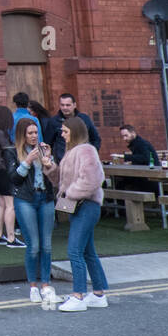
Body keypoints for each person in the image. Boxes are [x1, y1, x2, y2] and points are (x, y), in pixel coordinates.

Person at [55, 115, 109, 311]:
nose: (62, 134)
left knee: (74, 250)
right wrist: (50, 168)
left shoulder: (86, 150)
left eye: (65, 131)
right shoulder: (73, 151)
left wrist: (70, 193)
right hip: (79, 205)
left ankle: (78, 296)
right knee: (88, 251)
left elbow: (93, 179)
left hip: (85, 205)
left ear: (75, 132)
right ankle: (98, 294)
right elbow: (65, 180)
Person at [10, 119, 59, 308]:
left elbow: (54, 177)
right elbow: (14, 178)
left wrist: (49, 161)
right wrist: (28, 161)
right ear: (22, 135)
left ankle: (45, 284)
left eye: (35, 132)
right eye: (29, 133)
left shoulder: (43, 149)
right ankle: (33, 286)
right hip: (25, 200)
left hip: (45, 198)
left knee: (46, 245)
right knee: (34, 245)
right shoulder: (12, 152)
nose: (33, 136)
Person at [0, 105, 22, 248]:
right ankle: (11, 238)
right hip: (2, 170)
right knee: (10, 205)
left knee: (1, 204)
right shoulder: (0, 133)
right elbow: (9, 150)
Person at [47, 93, 102, 162]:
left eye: (68, 105)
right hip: (62, 162)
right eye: (62, 105)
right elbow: (48, 143)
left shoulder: (84, 119)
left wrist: (91, 154)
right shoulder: (53, 122)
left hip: (83, 160)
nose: (65, 108)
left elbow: (95, 139)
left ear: (74, 105)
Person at [114, 124, 160, 192]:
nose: (124, 139)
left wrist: (123, 156)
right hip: (146, 174)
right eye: (123, 136)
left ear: (133, 133)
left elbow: (145, 158)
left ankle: (118, 201)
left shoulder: (141, 143)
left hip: (150, 177)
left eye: (126, 135)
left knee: (120, 179)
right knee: (120, 178)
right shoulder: (137, 142)